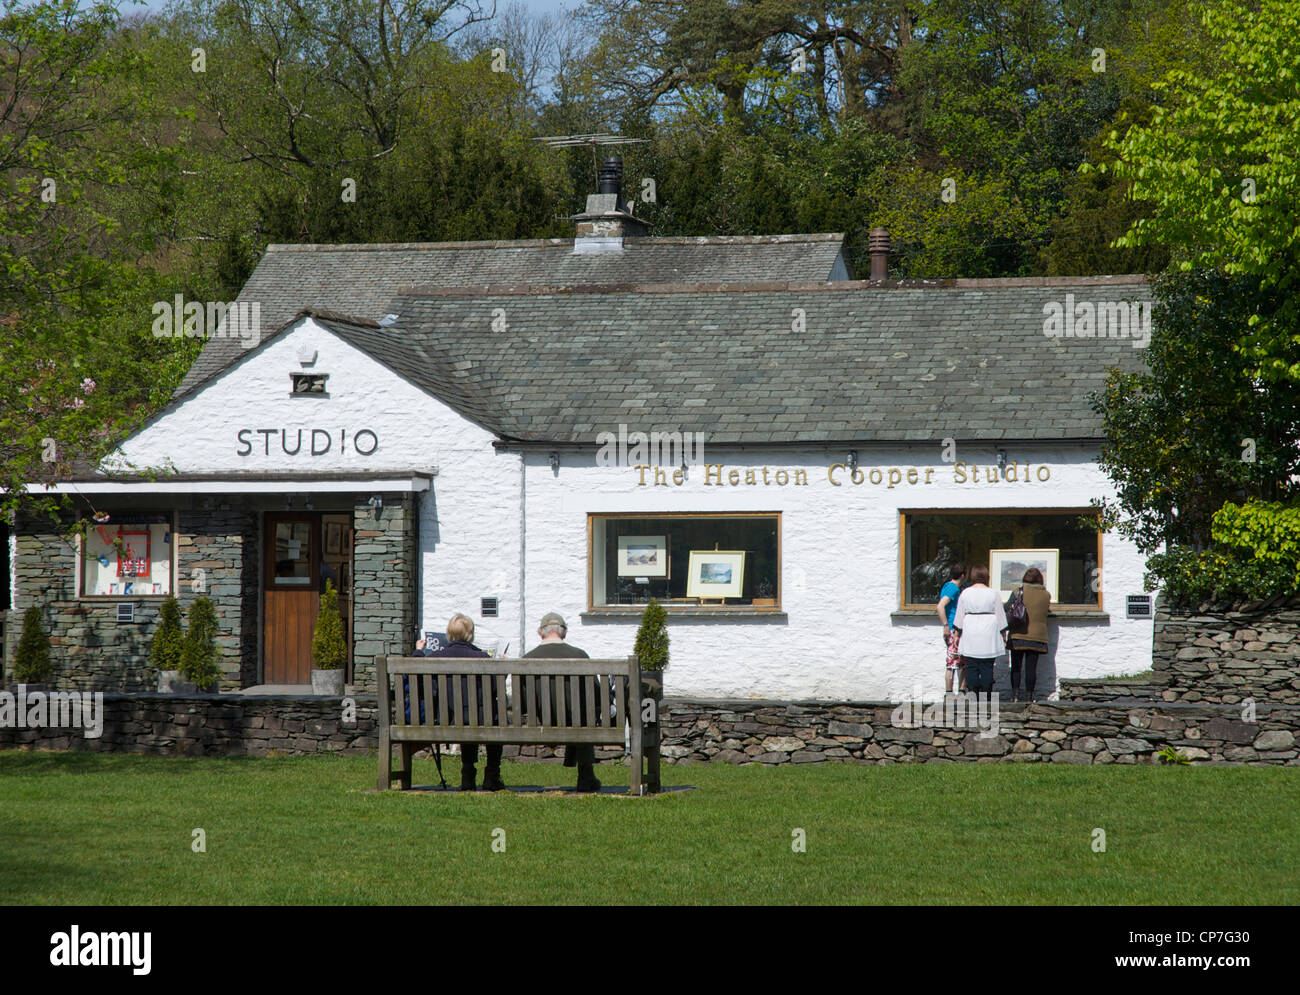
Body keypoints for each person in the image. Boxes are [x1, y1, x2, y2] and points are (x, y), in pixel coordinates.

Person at [415, 613, 505, 792]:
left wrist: (418, 651)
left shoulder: (435, 658)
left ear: (449, 634)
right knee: (487, 716)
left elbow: (417, 681)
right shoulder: (483, 658)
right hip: (480, 719)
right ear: (471, 635)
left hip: (446, 718)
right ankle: (491, 773)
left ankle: (468, 772)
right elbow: (495, 689)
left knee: (465, 715)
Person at [523, 612, 602, 793]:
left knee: (579, 718)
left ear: (540, 632)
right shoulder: (579, 655)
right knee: (582, 718)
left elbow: (523, 703)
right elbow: (596, 696)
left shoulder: (527, 659)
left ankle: (490, 774)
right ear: (564, 632)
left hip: (543, 722)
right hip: (576, 722)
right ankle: (586, 775)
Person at [952, 565, 1007, 695]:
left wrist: (956, 635)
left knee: (971, 666)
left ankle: (973, 695)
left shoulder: (966, 593)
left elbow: (959, 615)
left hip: (970, 629)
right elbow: (1000, 616)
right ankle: (986, 697)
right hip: (989, 630)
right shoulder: (993, 593)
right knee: (987, 667)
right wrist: (1003, 636)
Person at [1006, 567, 1052, 701]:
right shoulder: (1046, 595)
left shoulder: (1018, 591)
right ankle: (1030, 696)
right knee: (1031, 668)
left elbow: (1007, 608)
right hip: (1037, 636)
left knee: (1016, 667)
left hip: (1018, 634)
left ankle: (1014, 695)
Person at [935, 563, 967, 693]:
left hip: (953, 628)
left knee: (956, 662)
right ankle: (955, 692)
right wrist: (946, 626)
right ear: (963, 575)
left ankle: (954, 692)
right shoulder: (953, 588)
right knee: (957, 662)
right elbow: (940, 606)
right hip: (954, 629)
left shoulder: (947, 585)